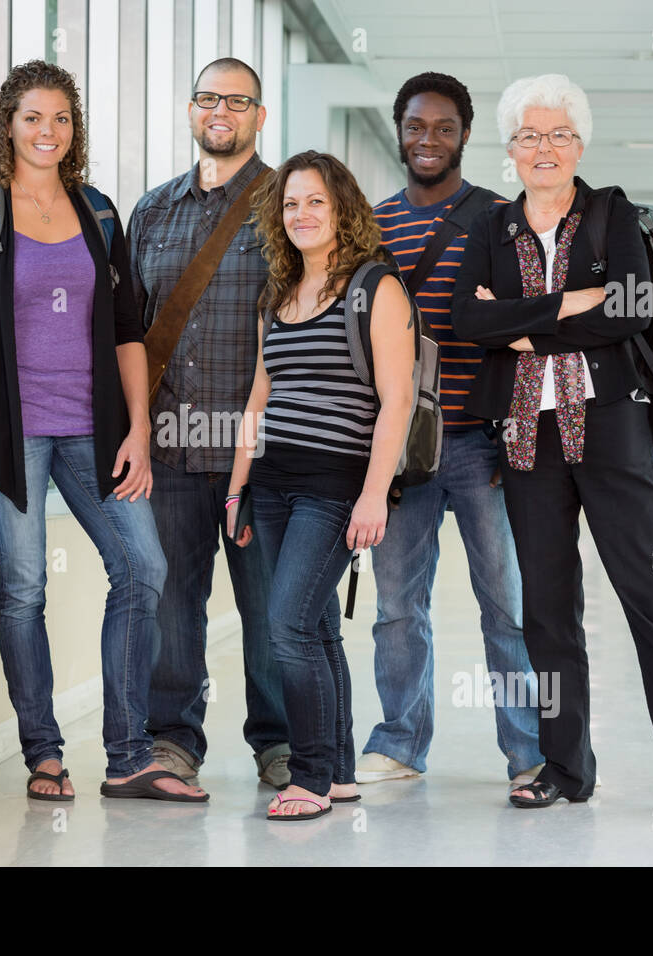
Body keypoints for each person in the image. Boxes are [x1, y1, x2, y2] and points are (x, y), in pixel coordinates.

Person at [452, 73, 653, 819]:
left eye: (557, 134)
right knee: (548, 613)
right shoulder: (491, 228)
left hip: (612, 432)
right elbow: (467, 319)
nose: (543, 148)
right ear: (510, 150)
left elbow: (622, 312)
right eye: (528, 136)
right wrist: (563, 307)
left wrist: (521, 324)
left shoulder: (612, 214)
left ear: (579, 144)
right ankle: (565, 767)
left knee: (651, 600)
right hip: (528, 440)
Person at [0, 60, 204, 803]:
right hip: (9, 433)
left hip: (93, 428)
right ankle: (43, 752)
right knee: (23, 587)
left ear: (73, 129)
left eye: (61, 119)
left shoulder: (97, 212)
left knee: (143, 568)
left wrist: (138, 429)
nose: (47, 132)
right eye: (32, 118)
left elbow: (126, 330)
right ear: (6, 126)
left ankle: (128, 753)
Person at [359, 71, 544, 792]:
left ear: (466, 135)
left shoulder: (502, 218)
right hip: (401, 450)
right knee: (398, 607)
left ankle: (529, 753)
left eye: (443, 128)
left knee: (507, 607)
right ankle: (400, 742)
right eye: (415, 126)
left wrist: (515, 440)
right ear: (398, 131)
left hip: (480, 446)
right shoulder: (371, 226)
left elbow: (532, 335)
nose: (427, 140)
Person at [227, 151, 415, 820]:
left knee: (287, 625)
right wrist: (236, 488)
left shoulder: (376, 287)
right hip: (273, 484)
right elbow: (259, 395)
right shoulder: (276, 293)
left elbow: (396, 401)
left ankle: (305, 777)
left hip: (335, 487)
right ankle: (335, 771)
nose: (301, 214)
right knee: (317, 626)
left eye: (315, 202)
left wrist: (373, 495)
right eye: (290, 204)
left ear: (341, 211)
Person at [129, 58, 290, 790]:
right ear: (190, 110)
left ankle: (281, 744)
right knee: (170, 607)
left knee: (270, 609)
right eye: (206, 98)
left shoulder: (289, 205)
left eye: (236, 100)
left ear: (260, 116)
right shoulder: (151, 211)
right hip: (165, 449)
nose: (219, 110)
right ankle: (172, 741)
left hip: (259, 452)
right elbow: (127, 333)